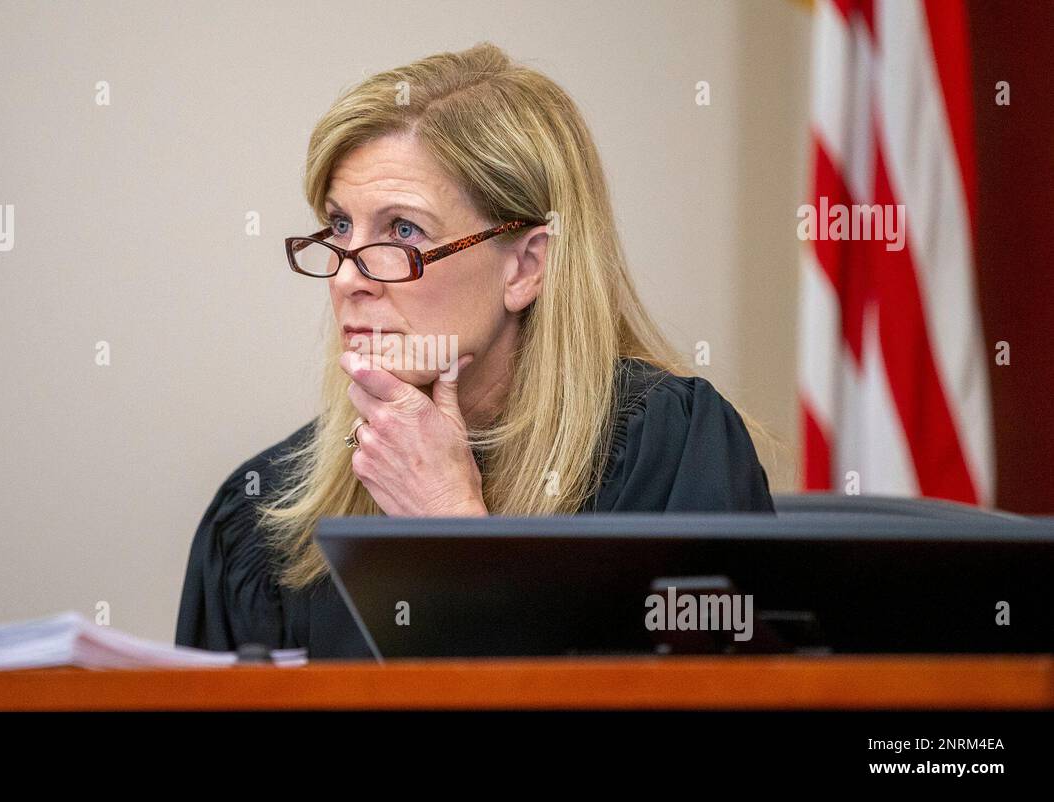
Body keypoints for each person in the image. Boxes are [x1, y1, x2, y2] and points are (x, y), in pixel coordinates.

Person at [175, 42, 775, 659]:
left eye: (401, 231)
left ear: (525, 267)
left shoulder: (667, 450)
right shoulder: (261, 513)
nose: (348, 277)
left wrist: (450, 525)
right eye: (339, 227)